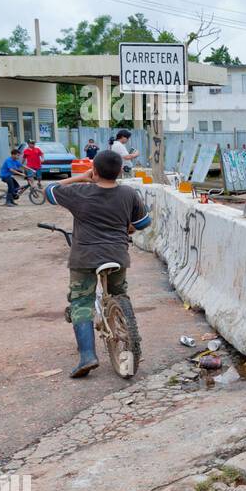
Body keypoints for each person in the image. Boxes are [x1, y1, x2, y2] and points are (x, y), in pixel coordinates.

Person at [44, 149, 151, 377]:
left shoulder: (79, 192)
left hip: (84, 257)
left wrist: (81, 177)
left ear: (95, 171)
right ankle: (123, 323)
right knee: (119, 293)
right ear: (120, 171)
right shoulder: (128, 194)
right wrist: (127, 226)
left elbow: (50, 190)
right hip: (117, 255)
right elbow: (144, 222)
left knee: (82, 301)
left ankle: (87, 356)